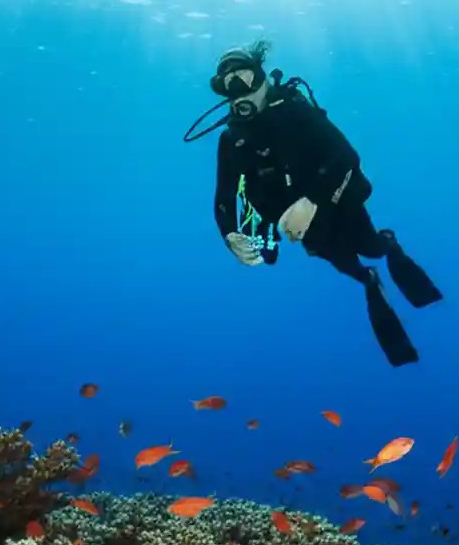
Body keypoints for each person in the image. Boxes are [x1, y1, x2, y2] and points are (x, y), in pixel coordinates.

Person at [183, 41, 443, 366]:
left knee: (370, 246)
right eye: (227, 85)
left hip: (338, 204)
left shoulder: (295, 112)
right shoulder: (232, 138)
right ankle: (370, 283)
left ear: (262, 78)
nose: (237, 92)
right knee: (347, 265)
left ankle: (389, 246)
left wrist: (312, 200)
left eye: (244, 79)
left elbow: (347, 156)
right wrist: (229, 233)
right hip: (298, 227)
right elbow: (223, 194)